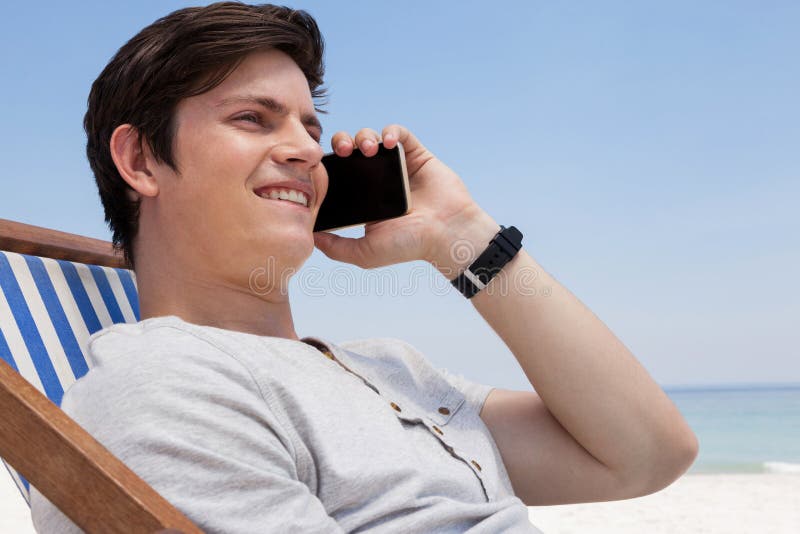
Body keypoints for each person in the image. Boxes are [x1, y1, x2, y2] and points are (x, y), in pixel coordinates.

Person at [29, 3, 698, 532]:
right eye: (253, 118)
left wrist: (463, 237)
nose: (304, 150)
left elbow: (647, 455)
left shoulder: (386, 368)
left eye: (310, 128)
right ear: (141, 160)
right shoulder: (165, 386)